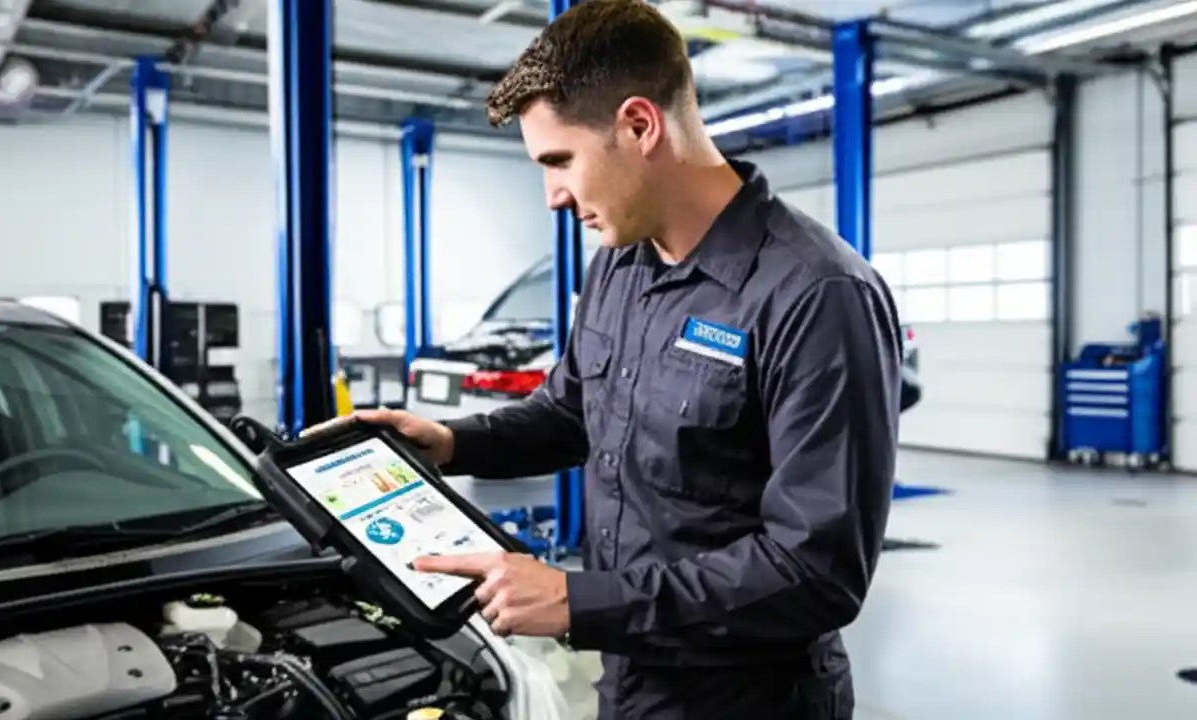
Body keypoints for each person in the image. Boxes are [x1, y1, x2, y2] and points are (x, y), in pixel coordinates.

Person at [309, 0, 903, 716]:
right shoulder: (622, 264)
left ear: (639, 125)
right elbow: (571, 411)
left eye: (559, 160)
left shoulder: (816, 293)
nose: (554, 196)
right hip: (632, 675)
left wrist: (575, 597)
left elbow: (817, 572)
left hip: (752, 698)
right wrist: (451, 442)